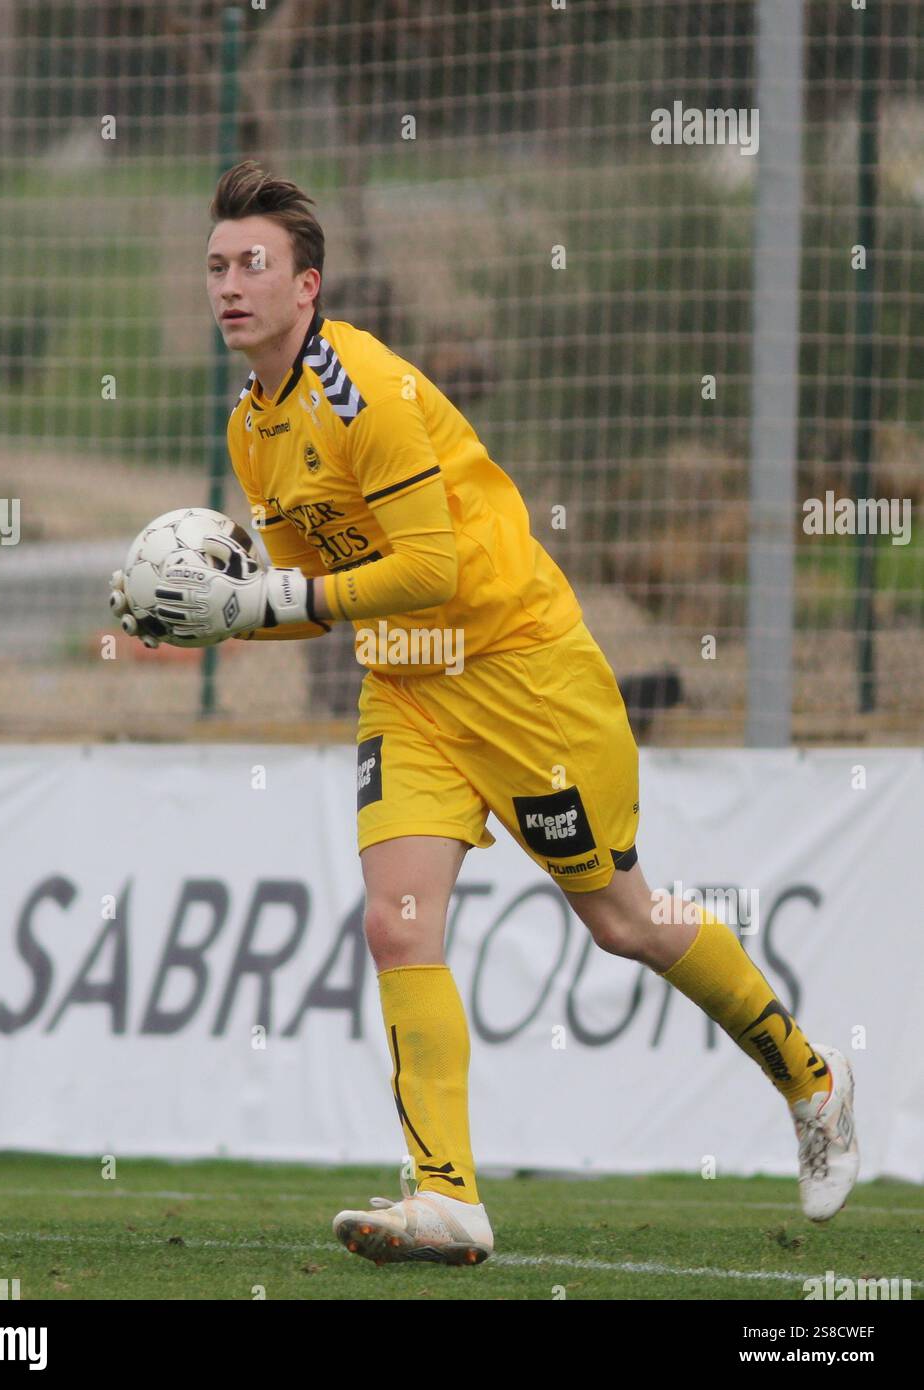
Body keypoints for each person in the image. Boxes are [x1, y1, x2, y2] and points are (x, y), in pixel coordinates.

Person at [109, 161, 859, 1267]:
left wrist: (265, 597)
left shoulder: (361, 388)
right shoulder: (250, 429)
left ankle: (809, 1078)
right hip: (407, 688)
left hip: (521, 672)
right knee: (394, 922)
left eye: (252, 264)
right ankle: (446, 1197)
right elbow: (319, 599)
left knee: (624, 923)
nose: (228, 284)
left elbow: (427, 567)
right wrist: (206, 617)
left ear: (306, 285)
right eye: (216, 265)